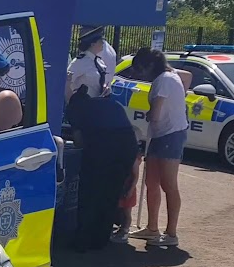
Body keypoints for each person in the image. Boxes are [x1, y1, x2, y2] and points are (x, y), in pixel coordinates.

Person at [65, 26, 139, 251]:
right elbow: (68, 85)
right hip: (87, 114)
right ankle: (86, 236)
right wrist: (73, 104)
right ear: (92, 43)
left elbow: (103, 83)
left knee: (105, 188)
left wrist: (106, 89)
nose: (103, 44)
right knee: (92, 186)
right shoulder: (79, 63)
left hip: (101, 113)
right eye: (100, 41)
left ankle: (100, 234)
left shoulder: (101, 63)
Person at [127, 47, 189, 248]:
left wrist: (149, 114)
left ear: (149, 66)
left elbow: (155, 113)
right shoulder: (171, 76)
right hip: (160, 134)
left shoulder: (164, 80)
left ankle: (171, 232)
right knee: (151, 182)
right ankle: (152, 228)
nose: (140, 74)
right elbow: (187, 77)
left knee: (168, 184)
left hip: (170, 135)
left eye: (141, 69)